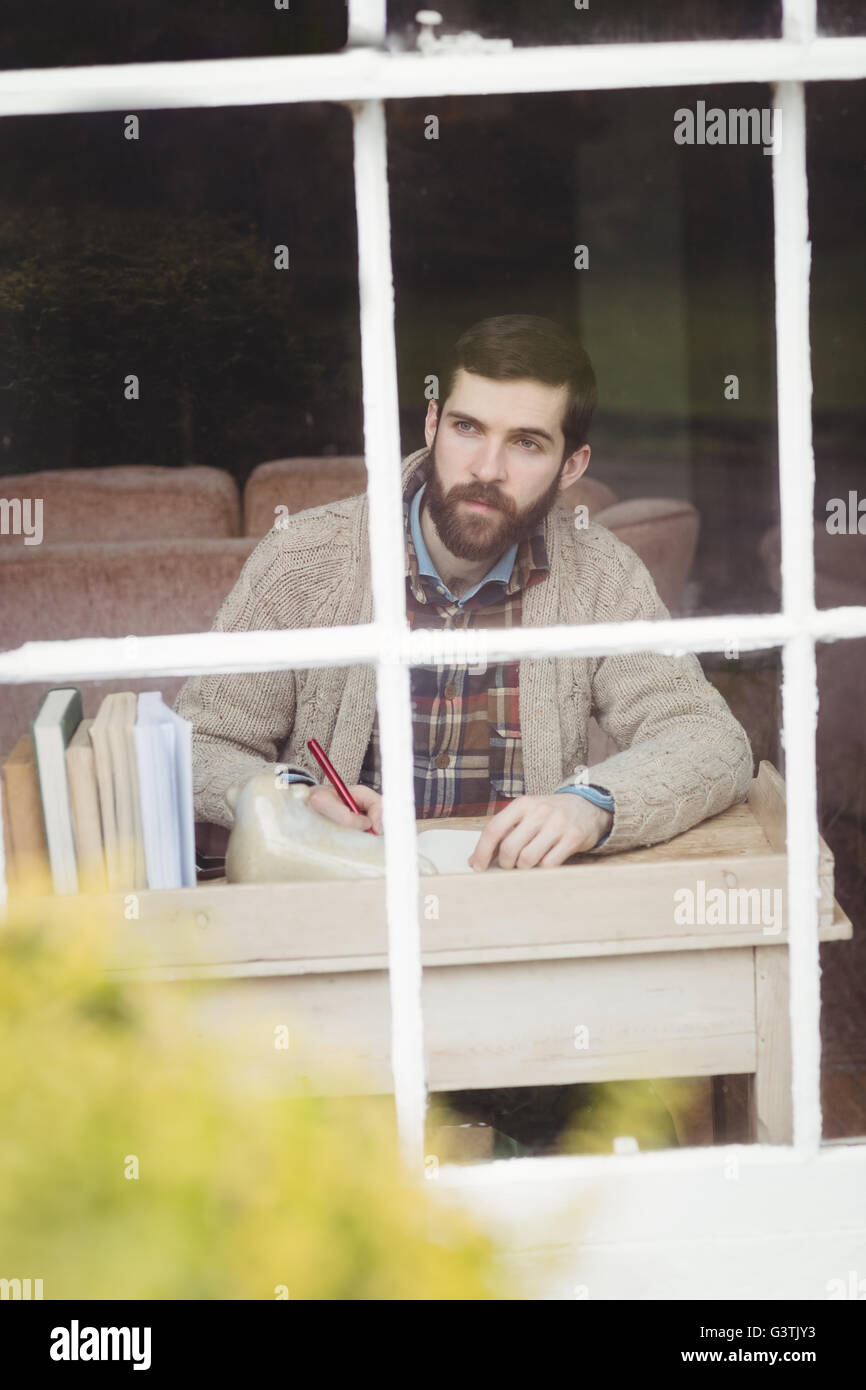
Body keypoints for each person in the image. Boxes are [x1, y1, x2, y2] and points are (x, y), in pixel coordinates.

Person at [174, 313, 753, 869]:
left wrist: (592, 805)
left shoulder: (601, 577)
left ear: (571, 466)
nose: (487, 468)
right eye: (467, 428)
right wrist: (292, 795)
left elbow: (709, 738)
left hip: (519, 912)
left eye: (526, 443)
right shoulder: (302, 559)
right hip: (342, 902)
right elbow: (197, 747)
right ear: (432, 425)